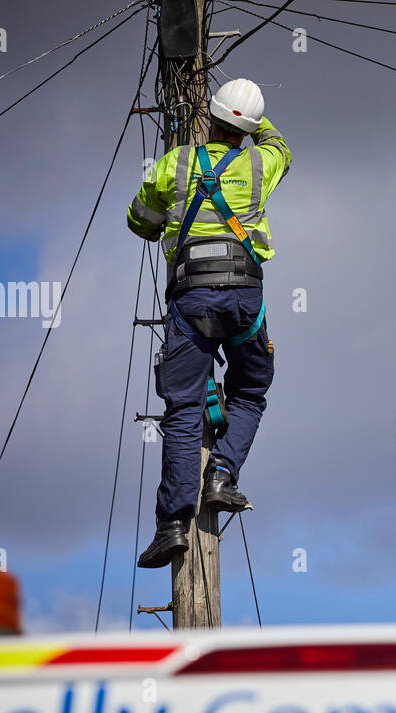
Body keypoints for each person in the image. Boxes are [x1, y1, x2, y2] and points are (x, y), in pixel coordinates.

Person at [126, 79, 291, 569]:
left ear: (211, 117)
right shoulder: (261, 162)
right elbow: (279, 143)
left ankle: (173, 525)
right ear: (247, 127)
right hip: (244, 296)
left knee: (182, 409)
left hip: (190, 296)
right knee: (250, 391)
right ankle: (222, 474)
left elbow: (138, 220)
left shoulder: (174, 164)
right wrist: (253, 121)